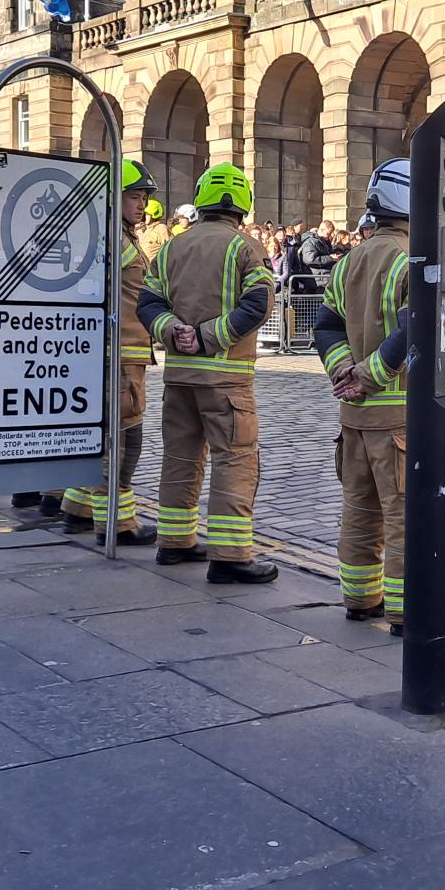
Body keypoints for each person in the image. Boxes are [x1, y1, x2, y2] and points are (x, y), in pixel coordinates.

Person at [136, 162, 279, 583]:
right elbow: (257, 305)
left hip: (179, 377)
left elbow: (147, 303)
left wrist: (172, 332)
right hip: (225, 376)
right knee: (235, 459)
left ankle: (174, 543)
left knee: (180, 457)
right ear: (242, 204)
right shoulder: (246, 247)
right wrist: (206, 337)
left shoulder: (171, 247)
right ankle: (231, 555)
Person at [315, 159, 413, 626]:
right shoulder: (412, 258)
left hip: (352, 416)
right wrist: (372, 373)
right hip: (398, 416)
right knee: (403, 517)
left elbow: (327, 325)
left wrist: (343, 373)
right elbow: (415, 329)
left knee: (358, 510)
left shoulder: (351, 259)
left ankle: (359, 598)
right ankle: (405, 610)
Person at [61, 160, 160, 542]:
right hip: (116, 353)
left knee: (105, 432)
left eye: (144, 198)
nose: (143, 205)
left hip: (120, 351)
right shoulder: (110, 239)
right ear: (112, 196)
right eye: (134, 196)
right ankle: (118, 524)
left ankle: (78, 507)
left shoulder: (116, 234)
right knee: (121, 439)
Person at [297, 219, 340, 295]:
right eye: (328, 233)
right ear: (322, 230)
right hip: (316, 280)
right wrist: (330, 258)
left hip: (324, 278)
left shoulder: (325, 242)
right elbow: (310, 260)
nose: (329, 236)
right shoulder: (310, 242)